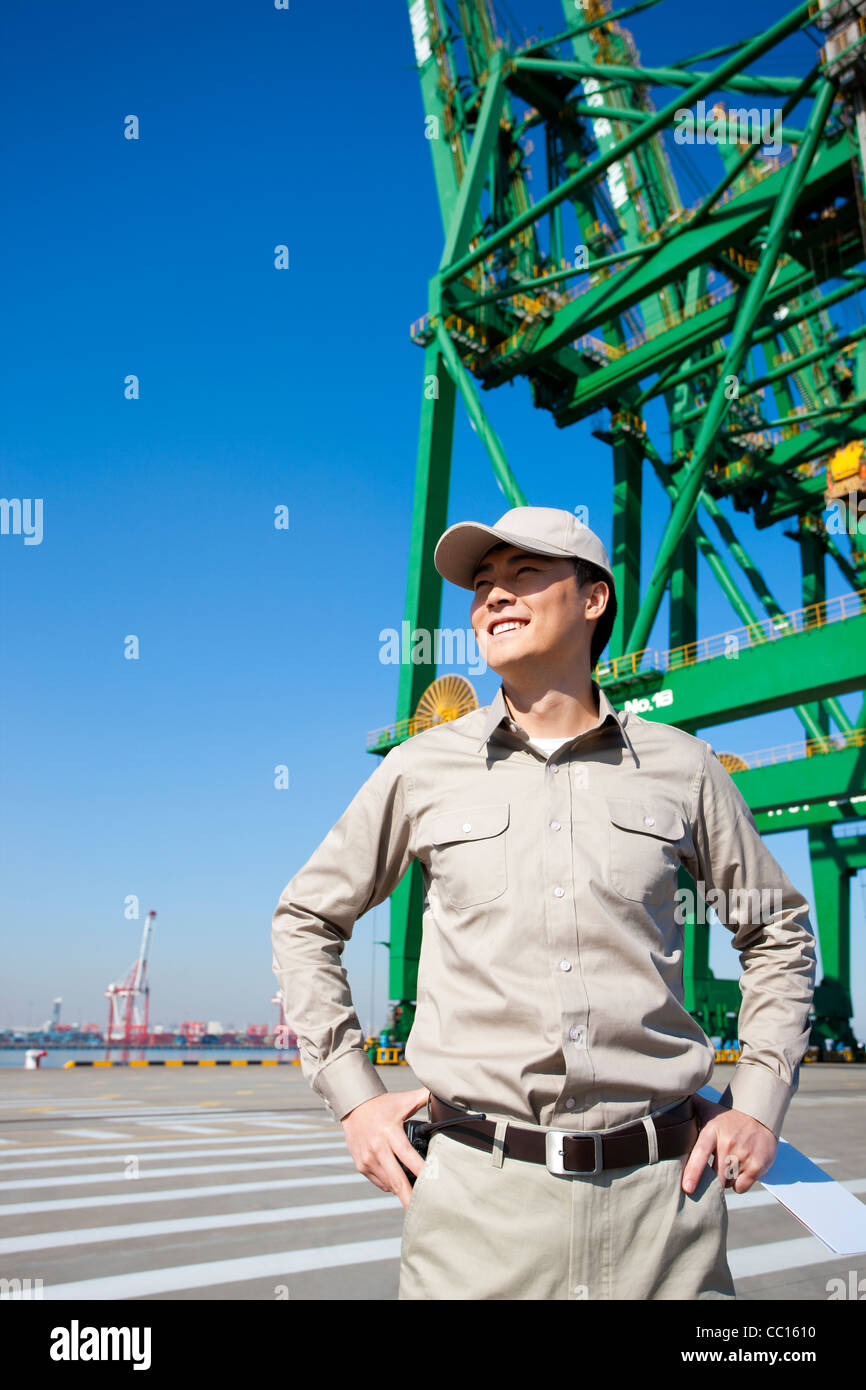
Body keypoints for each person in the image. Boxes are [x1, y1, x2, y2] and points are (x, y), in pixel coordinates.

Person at [271, 505, 817, 1300]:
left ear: (593, 600)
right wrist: (355, 1099)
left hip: (665, 1214)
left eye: (523, 574)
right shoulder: (421, 769)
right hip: (475, 1212)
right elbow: (306, 918)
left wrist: (761, 1101)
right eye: (482, 584)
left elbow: (776, 929)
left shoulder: (686, 768)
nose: (493, 596)